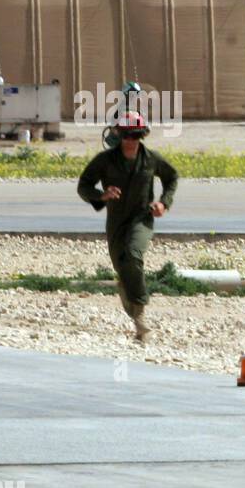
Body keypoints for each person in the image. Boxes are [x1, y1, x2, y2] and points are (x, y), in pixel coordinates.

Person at [76, 110, 179, 343]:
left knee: (133, 256)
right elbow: (84, 185)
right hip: (116, 221)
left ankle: (141, 318)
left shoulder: (152, 159)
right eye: (126, 136)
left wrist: (164, 203)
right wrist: (102, 196)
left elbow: (171, 177)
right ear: (119, 136)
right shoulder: (104, 160)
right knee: (122, 266)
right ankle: (129, 294)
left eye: (135, 136)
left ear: (142, 135)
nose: (130, 141)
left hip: (141, 219)